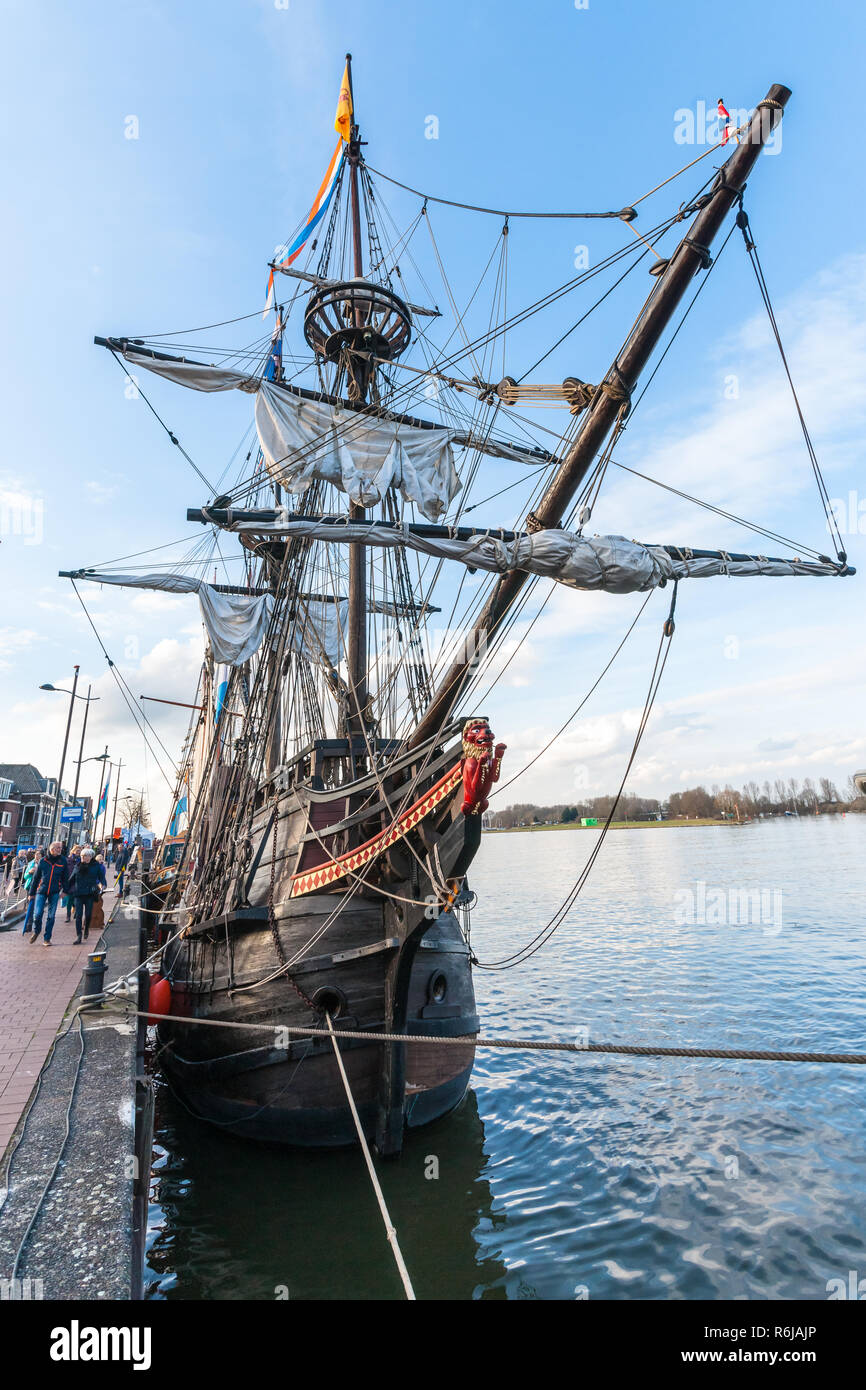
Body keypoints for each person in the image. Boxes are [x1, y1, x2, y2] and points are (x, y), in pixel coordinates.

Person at [30, 841, 69, 946]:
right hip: (41, 891)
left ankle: (47, 939)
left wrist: (65, 890)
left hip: (54, 891)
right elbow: (36, 878)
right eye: (57, 848)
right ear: (51, 849)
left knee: (51, 916)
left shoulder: (63, 861)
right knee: (37, 914)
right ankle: (37, 930)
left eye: (60, 848)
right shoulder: (43, 861)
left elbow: (65, 877)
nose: (60, 849)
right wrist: (31, 893)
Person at [69, 847, 103, 944]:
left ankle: (87, 928)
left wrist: (102, 884)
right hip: (79, 894)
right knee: (78, 916)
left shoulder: (95, 866)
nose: (84, 858)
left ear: (91, 857)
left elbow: (101, 877)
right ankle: (79, 935)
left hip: (89, 894)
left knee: (88, 915)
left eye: (86, 856)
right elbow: (71, 879)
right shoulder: (77, 866)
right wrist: (65, 890)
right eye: (82, 856)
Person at [21, 850, 43, 933]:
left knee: (37, 907)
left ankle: (37, 924)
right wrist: (30, 872)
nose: (37, 856)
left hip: (40, 887)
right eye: (36, 854)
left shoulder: (44, 864)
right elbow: (25, 876)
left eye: (39, 854)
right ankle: (29, 925)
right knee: (30, 905)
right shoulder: (30, 864)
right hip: (30, 886)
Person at [63, 844, 82, 919]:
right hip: (70, 882)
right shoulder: (68, 860)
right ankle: (68, 916)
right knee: (69, 900)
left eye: (79, 851)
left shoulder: (81, 860)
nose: (78, 852)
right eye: (77, 851)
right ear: (73, 851)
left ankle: (76, 912)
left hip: (79, 882)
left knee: (77, 900)